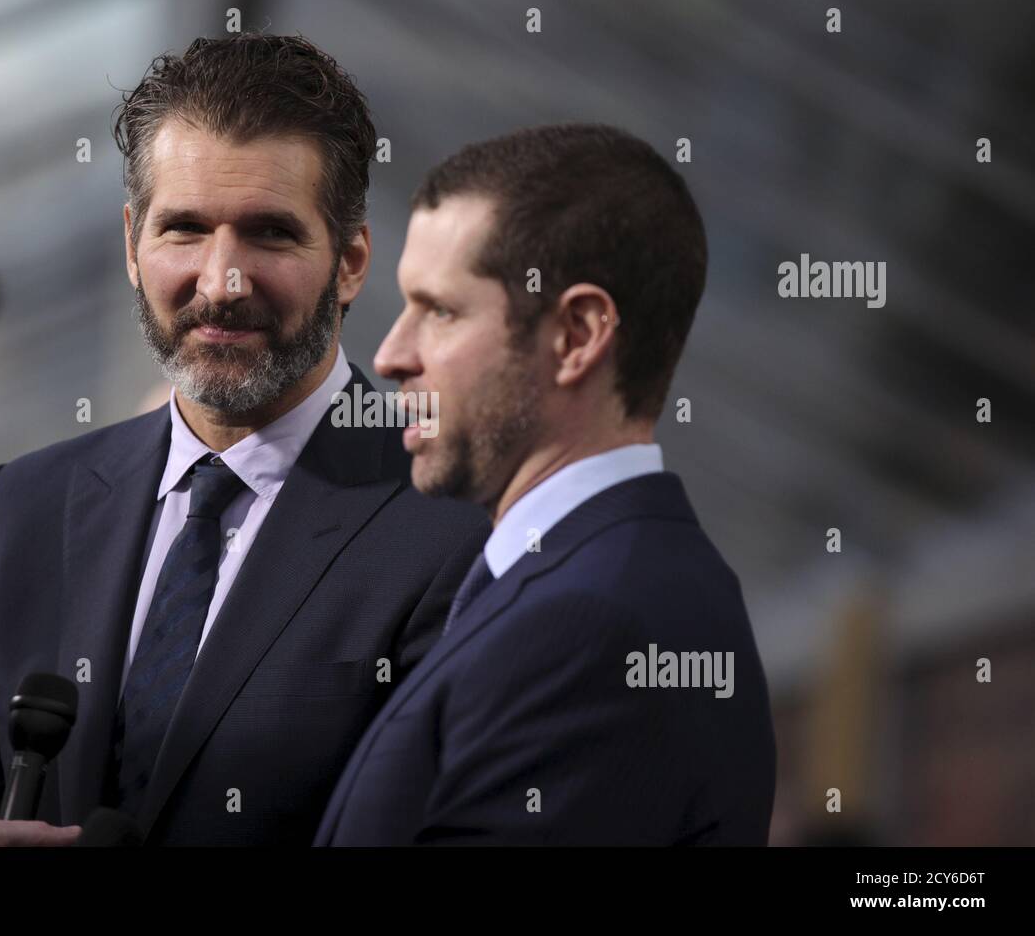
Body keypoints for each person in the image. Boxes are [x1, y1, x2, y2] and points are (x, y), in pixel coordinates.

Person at [0, 34, 487, 847]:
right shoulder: (21, 512)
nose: (221, 283)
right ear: (133, 245)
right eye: (184, 230)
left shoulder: (459, 520)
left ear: (349, 262)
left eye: (270, 234)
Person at [316, 124, 776, 845]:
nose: (390, 354)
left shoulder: (586, 629)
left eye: (439, 309)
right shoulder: (605, 581)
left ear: (578, 335)